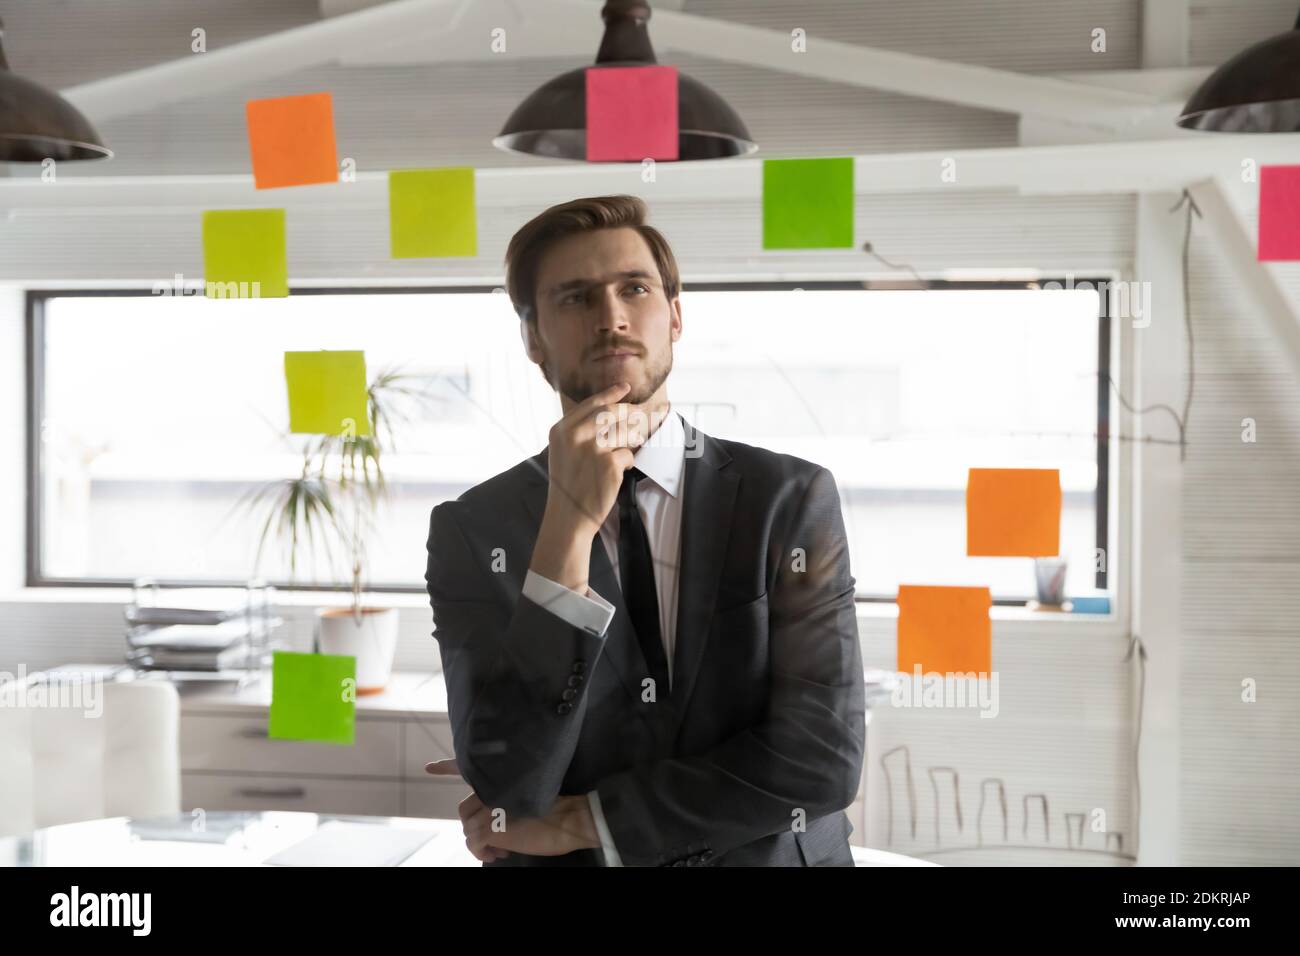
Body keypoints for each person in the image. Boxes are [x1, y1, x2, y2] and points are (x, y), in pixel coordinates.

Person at [424, 194, 864, 866]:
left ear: (675, 316)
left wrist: (588, 822)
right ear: (534, 339)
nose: (611, 317)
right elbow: (508, 785)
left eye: (635, 287)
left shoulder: (790, 499)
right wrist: (565, 535)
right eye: (574, 297)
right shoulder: (470, 530)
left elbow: (821, 761)